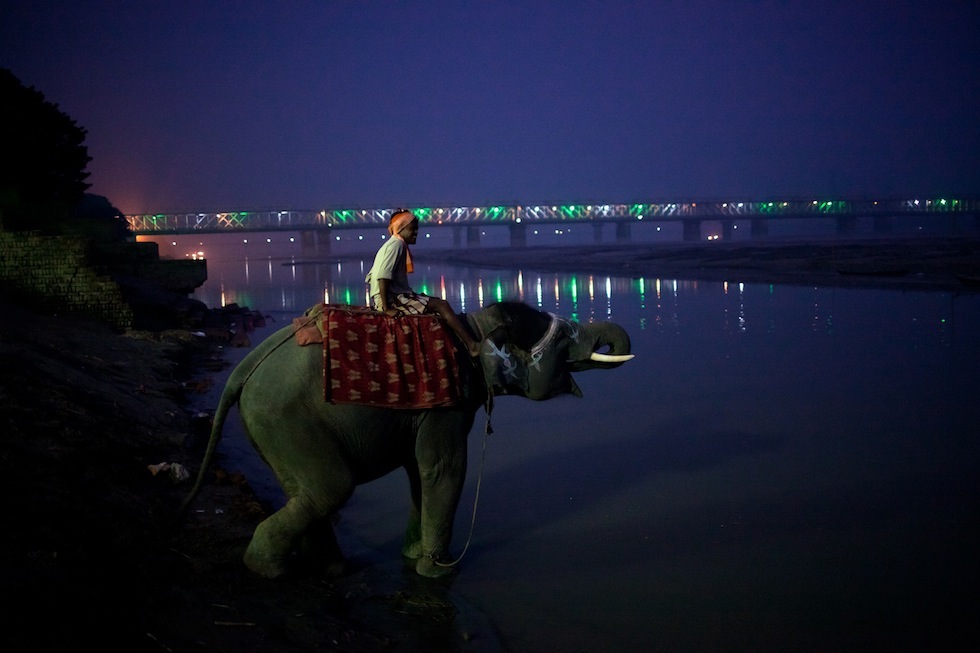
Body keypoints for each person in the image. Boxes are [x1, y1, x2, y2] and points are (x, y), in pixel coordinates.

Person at [366, 209, 482, 357]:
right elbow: (383, 277)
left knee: (432, 303)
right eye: (412, 229)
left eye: (417, 229)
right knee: (442, 305)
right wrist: (387, 308)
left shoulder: (393, 244)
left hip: (393, 296)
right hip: (392, 300)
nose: (416, 232)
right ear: (401, 228)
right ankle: (472, 346)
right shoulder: (397, 245)